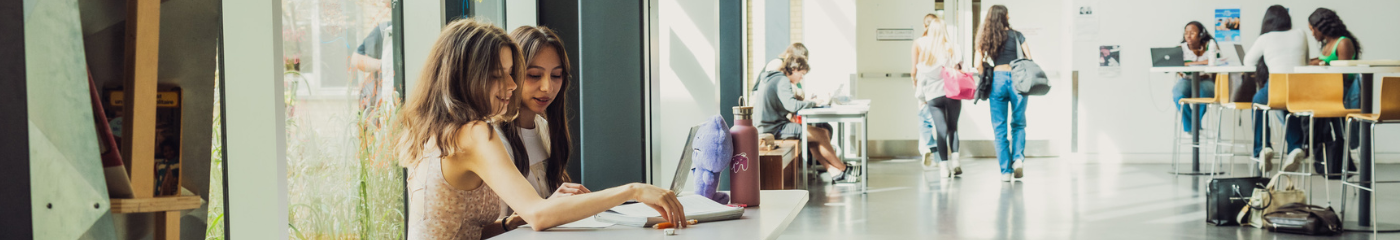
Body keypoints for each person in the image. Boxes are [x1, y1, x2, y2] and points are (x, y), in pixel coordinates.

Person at [395, 19, 685, 240]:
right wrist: (633, 190)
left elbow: (456, 230)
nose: (511, 85)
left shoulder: (438, 131)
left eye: (512, 74)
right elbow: (540, 215)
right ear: (464, 76)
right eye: (499, 76)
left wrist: (510, 222)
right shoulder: (475, 134)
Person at [491, 25, 593, 230]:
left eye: (556, 76)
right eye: (534, 75)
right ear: (512, 74)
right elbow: (485, 227)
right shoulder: (493, 138)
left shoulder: (543, 128)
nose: (548, 87)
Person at [754, 49, 851, 183]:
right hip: (773, 130)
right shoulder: (782, 80)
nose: (802, 78)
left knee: (814, 135)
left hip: (769, 126)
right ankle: (844, 168)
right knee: (821, 134)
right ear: (794, 69)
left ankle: (833, 171)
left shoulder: (772, 78)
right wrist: (812, 103)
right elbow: (791, 105)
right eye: (802, 73)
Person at [1245, 5, 1309, 172]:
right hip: (1300, 89)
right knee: (1289, 107)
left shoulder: (1266, 38)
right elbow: (1306, 62)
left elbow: (1248, 62)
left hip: (1276, 87)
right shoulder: (1300, 34)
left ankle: (1262, 148)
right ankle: (1295, 147)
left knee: (1258, 102)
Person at [974, 5, 1031, 182]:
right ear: (1005, 16)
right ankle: (1018, 160)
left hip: (997, 79)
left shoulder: (986, 37)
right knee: (1018, 124)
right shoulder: (1017, 35)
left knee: (999, 129)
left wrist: (985, 75)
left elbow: (977, 64)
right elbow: (1029, 59)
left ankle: (1005, 172)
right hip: (1017, 79)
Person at [1307, 8, 1364, 168]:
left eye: (1312, 29)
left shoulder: (1343, 42)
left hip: (1342, 93)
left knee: (1307, 111)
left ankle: (1307, 145)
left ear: (1321, 26)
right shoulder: (1327, 44)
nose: (1312, 34)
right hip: (1327, 91)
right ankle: (1311, 145)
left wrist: (1322, 64)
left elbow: (1344, 75)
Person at [911, 13, 963, 178]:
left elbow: (921, 77)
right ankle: (956, 162)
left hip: (934, 96)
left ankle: (943, 167)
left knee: (940, 131)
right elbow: (961, 68)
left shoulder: (926, 52)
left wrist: (921, 98)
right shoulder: (953, 47)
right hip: (952, 93)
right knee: (952, 128)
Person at [1173, 21, 1222, 134]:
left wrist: (1188, 63)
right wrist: (1202, 63)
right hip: (1187, 79)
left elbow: (1217, 61)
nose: (1188, 36)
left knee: (1206, 94)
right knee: (1178, 94)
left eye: (1192, 33)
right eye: (1186, 33)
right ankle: (1192, 127)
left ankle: (1194, 125)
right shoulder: (1180, 48)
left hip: (1205, 79)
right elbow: (1175, 63)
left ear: (1201, 34)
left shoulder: (1210, 45)